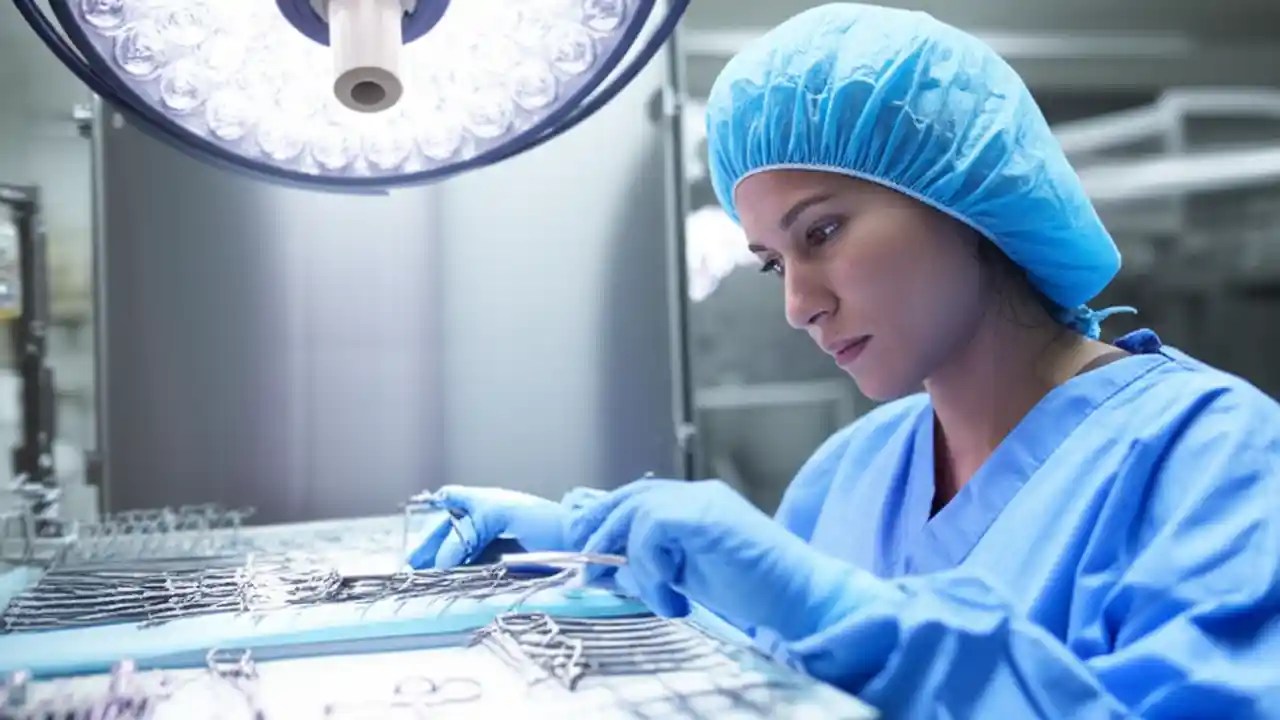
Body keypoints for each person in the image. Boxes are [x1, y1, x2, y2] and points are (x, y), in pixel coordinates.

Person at [409, 4, 1280, 717]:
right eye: (773, 263)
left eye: (821, 232)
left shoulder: (1215, 456)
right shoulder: (852, 470)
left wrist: (851, 621)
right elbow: (766, 658)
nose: (799, 304)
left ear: (963, 193)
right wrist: (587, 541)